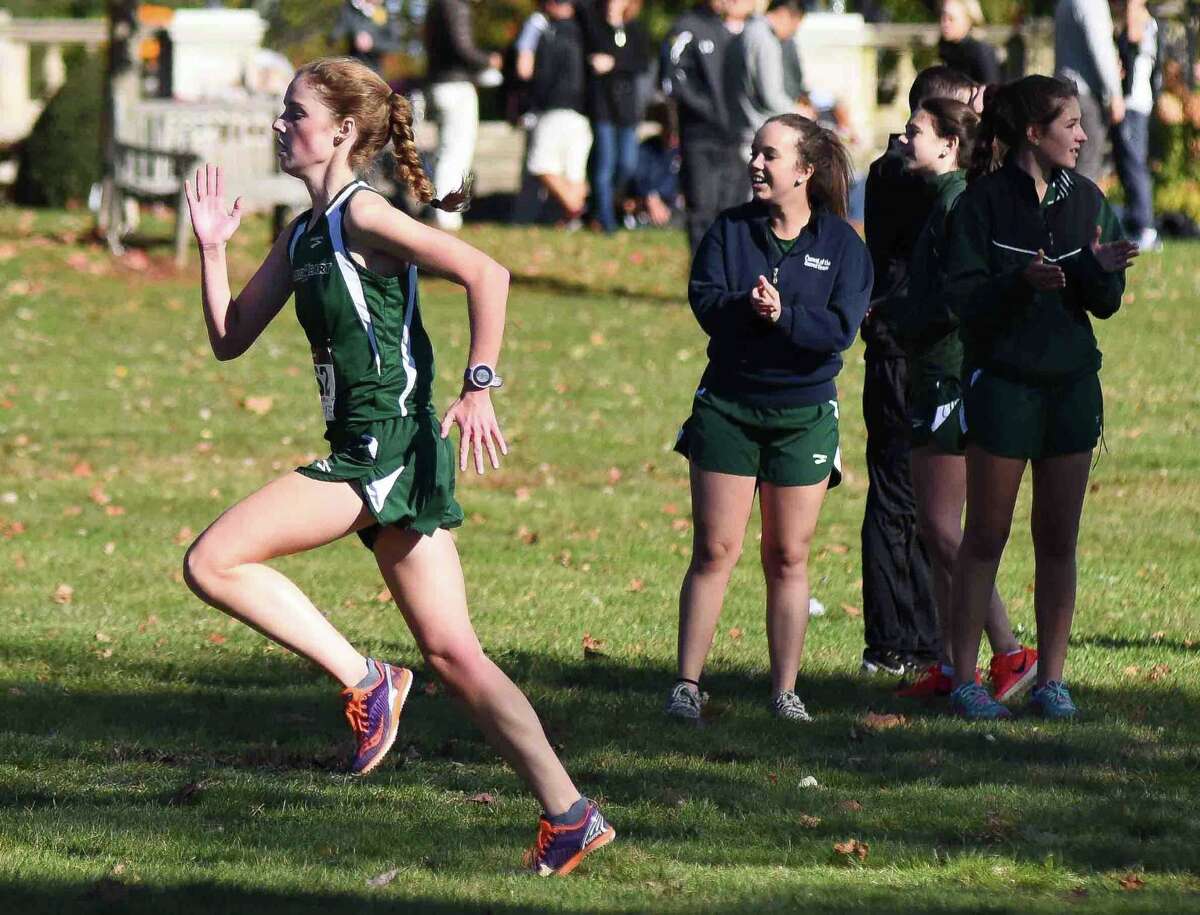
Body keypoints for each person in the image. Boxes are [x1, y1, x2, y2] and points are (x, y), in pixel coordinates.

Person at [180, 56, 615, 874]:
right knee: (455, 657)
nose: (280, 125)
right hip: (379, 452)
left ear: (342, 130)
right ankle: (570, 812)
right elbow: (231, 336)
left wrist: (479, 384)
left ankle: (368, 679)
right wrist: (211, 250)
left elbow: (488, 271)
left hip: (382, 447)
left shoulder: (363, 216)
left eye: (293, 112)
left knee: (213, 558)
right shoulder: (307, 233)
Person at [666, 114, 873, 724]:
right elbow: (705, 301)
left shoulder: (842, 247)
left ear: (804, 172)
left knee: (788, 555)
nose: (755, 164)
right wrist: (747, 309)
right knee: (715, 548)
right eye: (755, 153)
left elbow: (841, 330)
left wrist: (784, 316)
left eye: (769, 155)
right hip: (728, 407)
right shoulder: (730, 232)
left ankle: (785, 691)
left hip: (804, 415)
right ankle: (686, 685)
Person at [943, 75, 1138, 720]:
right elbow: (964, 301)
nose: (1082, 136)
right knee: (987, 536)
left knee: (1058, 537)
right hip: (1003, 387)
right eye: (1070, 124)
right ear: (1033, 132)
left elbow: (1103, 308)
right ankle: (967, 679)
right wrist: (1019, 282)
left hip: (1071, 390)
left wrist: (1099, 271)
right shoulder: (983, 204)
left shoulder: (1087, 199)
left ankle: (1053, 680)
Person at [883, 96, 1037, 702]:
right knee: (931, 526)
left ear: (948, 145)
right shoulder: (941, 200)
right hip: (930, 371)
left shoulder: (956, 203)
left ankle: (1010, 652)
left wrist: (898, 314)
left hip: (948, 375)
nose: (902, 139)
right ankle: (952, 664)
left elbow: (955, 296)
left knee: (948, 532)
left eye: (913, 131)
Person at [859, 66, 977, 678]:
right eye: (962, 117)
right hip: (909, 348)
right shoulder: (909, 178)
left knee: (919, 503)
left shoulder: (906, 175)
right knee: (907, 501)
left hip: (910, 342)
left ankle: (925, 641)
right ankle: (902, 640)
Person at [662, 0, 744, 254]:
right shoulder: (687, 28)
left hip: (732, 136)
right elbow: (672, 79)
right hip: (700, 137)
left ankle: (728, 280)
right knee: (702, 208)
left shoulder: (729, 31)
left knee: (733, 209)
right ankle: (704, 281)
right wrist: (708, 111)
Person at [424, 0, 502, 230]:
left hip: (440, 83)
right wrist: (489, 60)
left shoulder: (436, 7)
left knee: (447, 150)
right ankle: (447, 213)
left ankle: (441, 210)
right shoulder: (456, 6)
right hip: (455, 86)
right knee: (456, 151)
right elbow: (462, 47)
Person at [516, 0, 592, 222]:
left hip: (553, 108)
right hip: (581, 110)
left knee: (540, 164)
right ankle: (572, 218)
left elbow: (525, 70)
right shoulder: (587, 31)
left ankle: (575, 208)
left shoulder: (543, 28)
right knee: (574, 171)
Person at [582, 0, 651, 232]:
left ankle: (600, 207)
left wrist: (614, 63)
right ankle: (606, 221)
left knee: (627, 164)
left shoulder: (634, 29)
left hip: (626, 110)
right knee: (605, 164)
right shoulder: (594, 26)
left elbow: (641, 62)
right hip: (603, 107)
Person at [726, 0, 809, 158]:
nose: (791, 34)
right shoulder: (766, 41)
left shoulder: (747, 30)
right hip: (758, 133)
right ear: (784, 15)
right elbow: (771, 96)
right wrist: (800, 113)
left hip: (739, 129)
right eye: (794, 27)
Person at [1054, 0, 1124, 182]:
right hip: (1084, 95)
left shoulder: (1064, 3)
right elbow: (1101, 48)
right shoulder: (1092, 3)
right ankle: (1081, 211)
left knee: (1065, 168)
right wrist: (1115, 93)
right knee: (1087, 168)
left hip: (1063, 90)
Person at [1112, 0, 1161, 251]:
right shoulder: (1147, 21)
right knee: (1127, 163)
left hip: (1133, 103)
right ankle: (1136, 222)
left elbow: (1131, 39)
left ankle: (1146, 228)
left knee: (1133, 164)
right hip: (1136, 102)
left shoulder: (1140, 20)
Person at [937, 0, 1001, 86]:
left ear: (968, 21)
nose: (944, 23)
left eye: (951, 19)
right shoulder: (946, 47)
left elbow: (991, 91)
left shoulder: (980, 51)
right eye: (943, 17)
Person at [331, 0, 402, 75]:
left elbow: (395, 45)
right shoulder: (353, 10)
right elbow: (335, 34)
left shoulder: (388, 15)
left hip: (374, 72)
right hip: (351, 68)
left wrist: (372, 44)